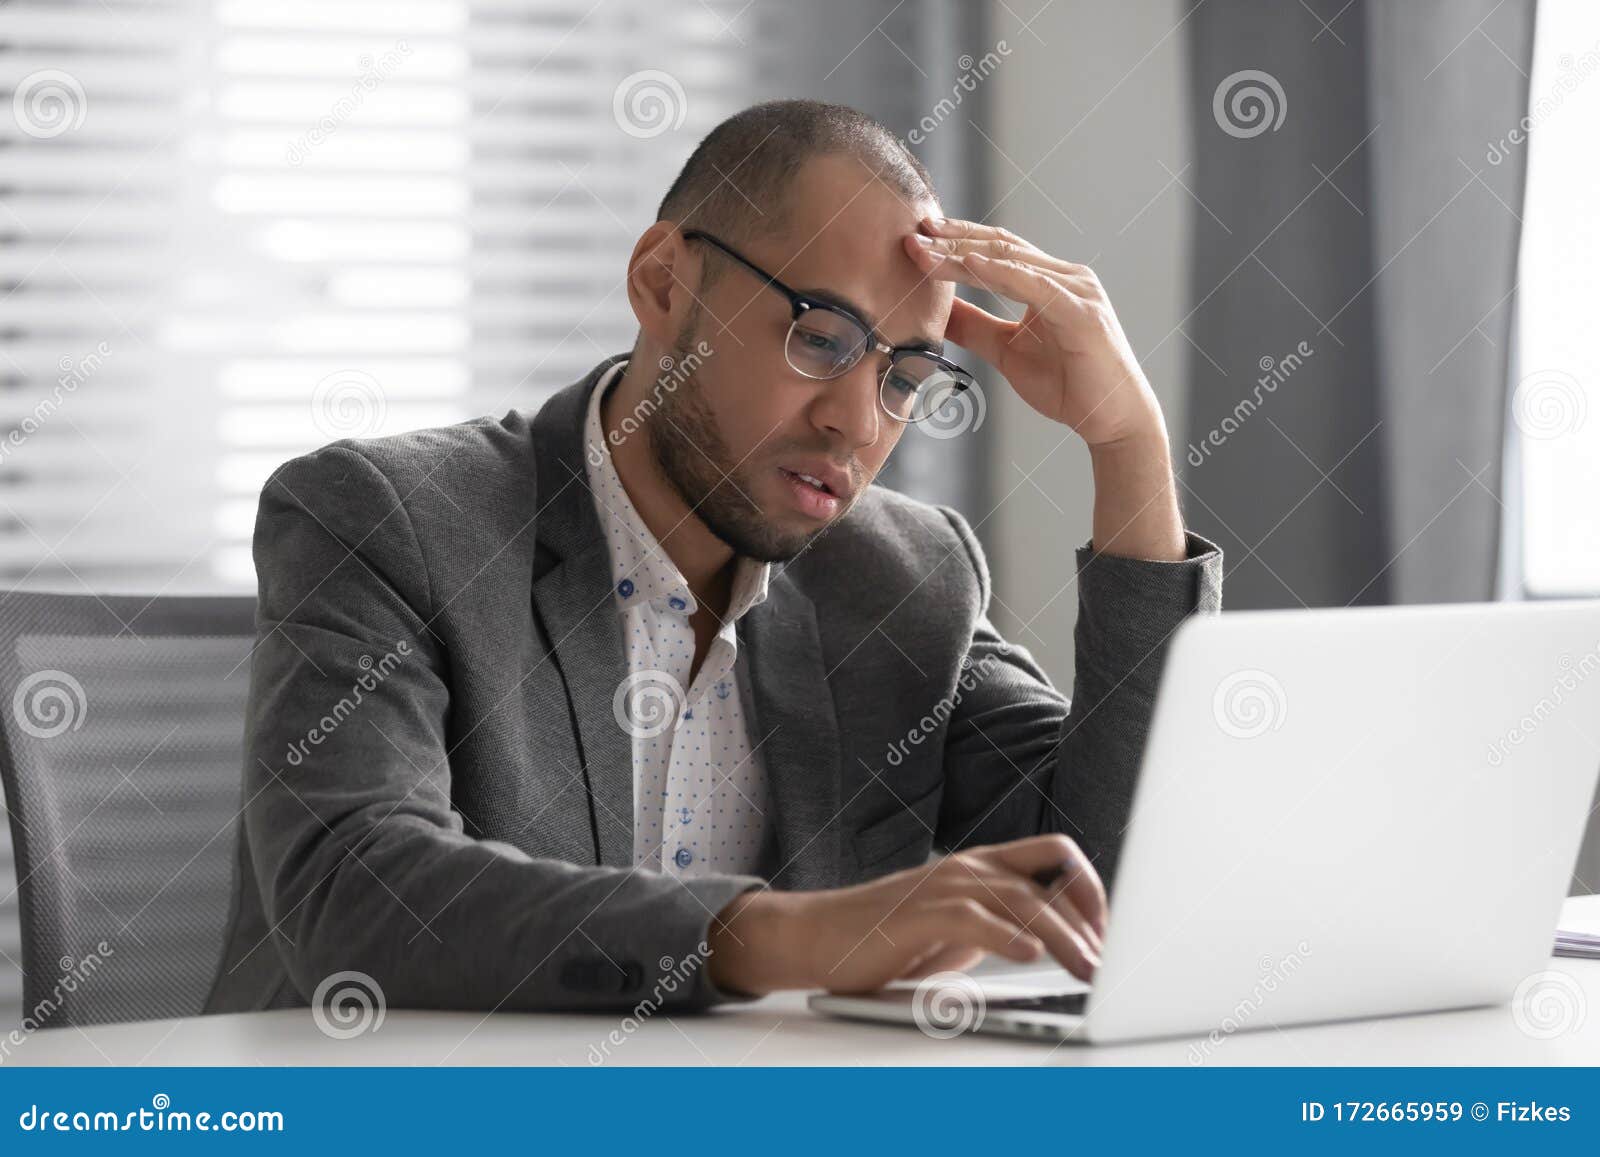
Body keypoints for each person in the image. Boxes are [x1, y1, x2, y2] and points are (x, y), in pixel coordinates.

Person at [205, 99, 1222, 1016]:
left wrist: (1126, 445)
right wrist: (795, 934)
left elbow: (1099, 874)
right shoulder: (392, 517)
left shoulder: (904, 578)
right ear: (662, 281)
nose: (859, 422)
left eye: (905, 376)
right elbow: (354, 888)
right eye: (822, 336)